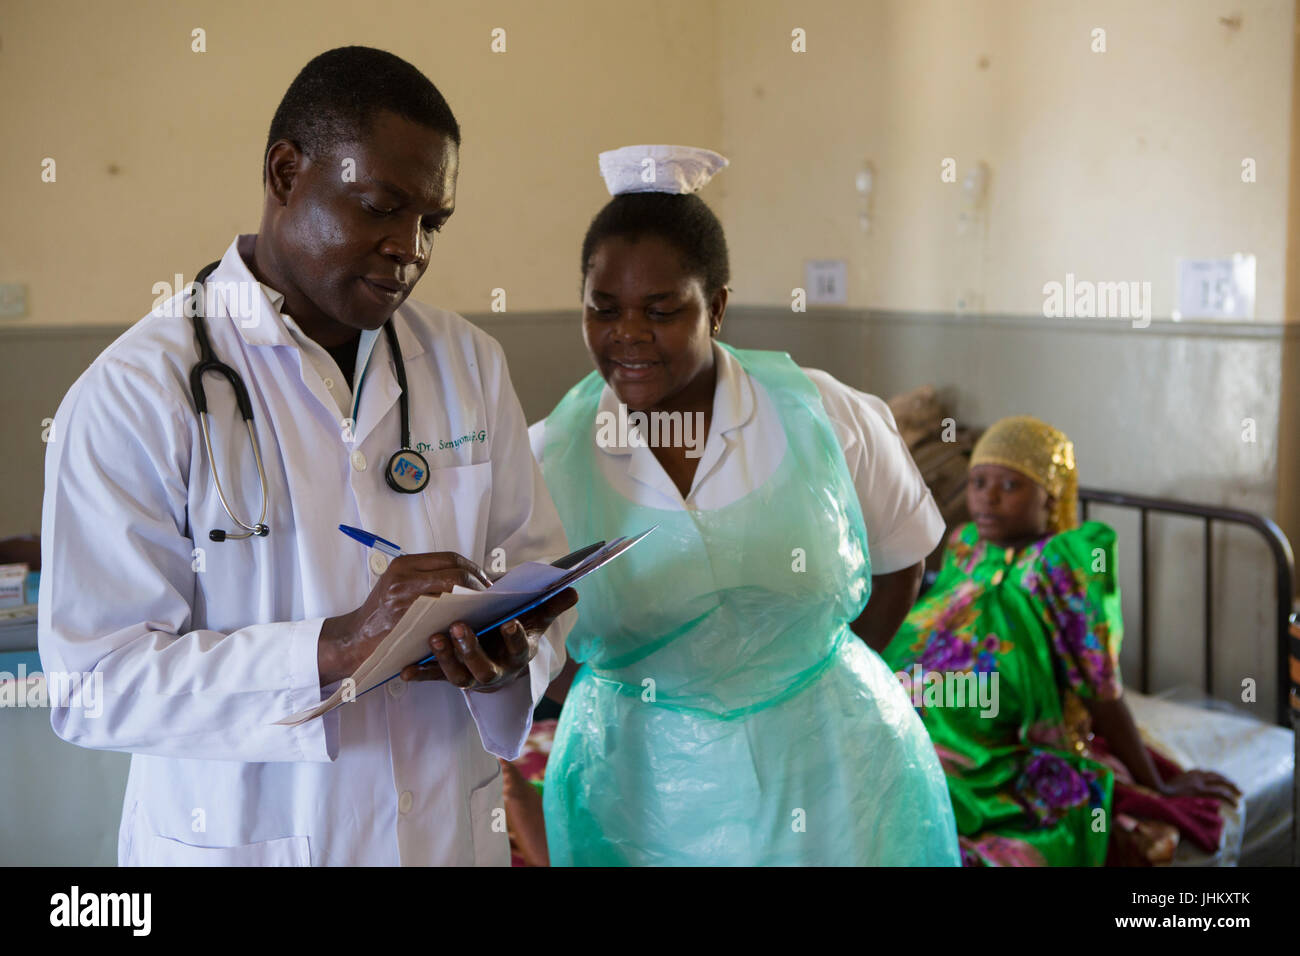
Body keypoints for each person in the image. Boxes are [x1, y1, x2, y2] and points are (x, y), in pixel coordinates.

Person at [37, 46, 576, 866]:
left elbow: (538, 580)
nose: (411, 248)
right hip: (244, 841)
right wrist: (339, 646)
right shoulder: (138, 391)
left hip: (442, 834)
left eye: (432, 222)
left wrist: (511, 660)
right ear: (285, 172)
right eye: (381, 208)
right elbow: (93, 686)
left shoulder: (468, 363)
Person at [526, 144, 961, 865]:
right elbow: (533, 628)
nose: (627, 334)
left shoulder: (825, 415)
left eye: (661, 310)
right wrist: (645, 709)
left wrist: (799, 692)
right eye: (603, 309)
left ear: (718, 307)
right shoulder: (550, 456)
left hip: (831, 771)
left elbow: (900, 565)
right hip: (639, 786)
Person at [878, 415, 1240, 866]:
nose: (988, 497)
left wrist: (1156, 782)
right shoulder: (966, 544)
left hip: (990, 737)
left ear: (1049, 498)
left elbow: (1098, 683)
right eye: (978, 482)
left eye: (1010, 485)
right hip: (913, 704)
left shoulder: (1060, 563)